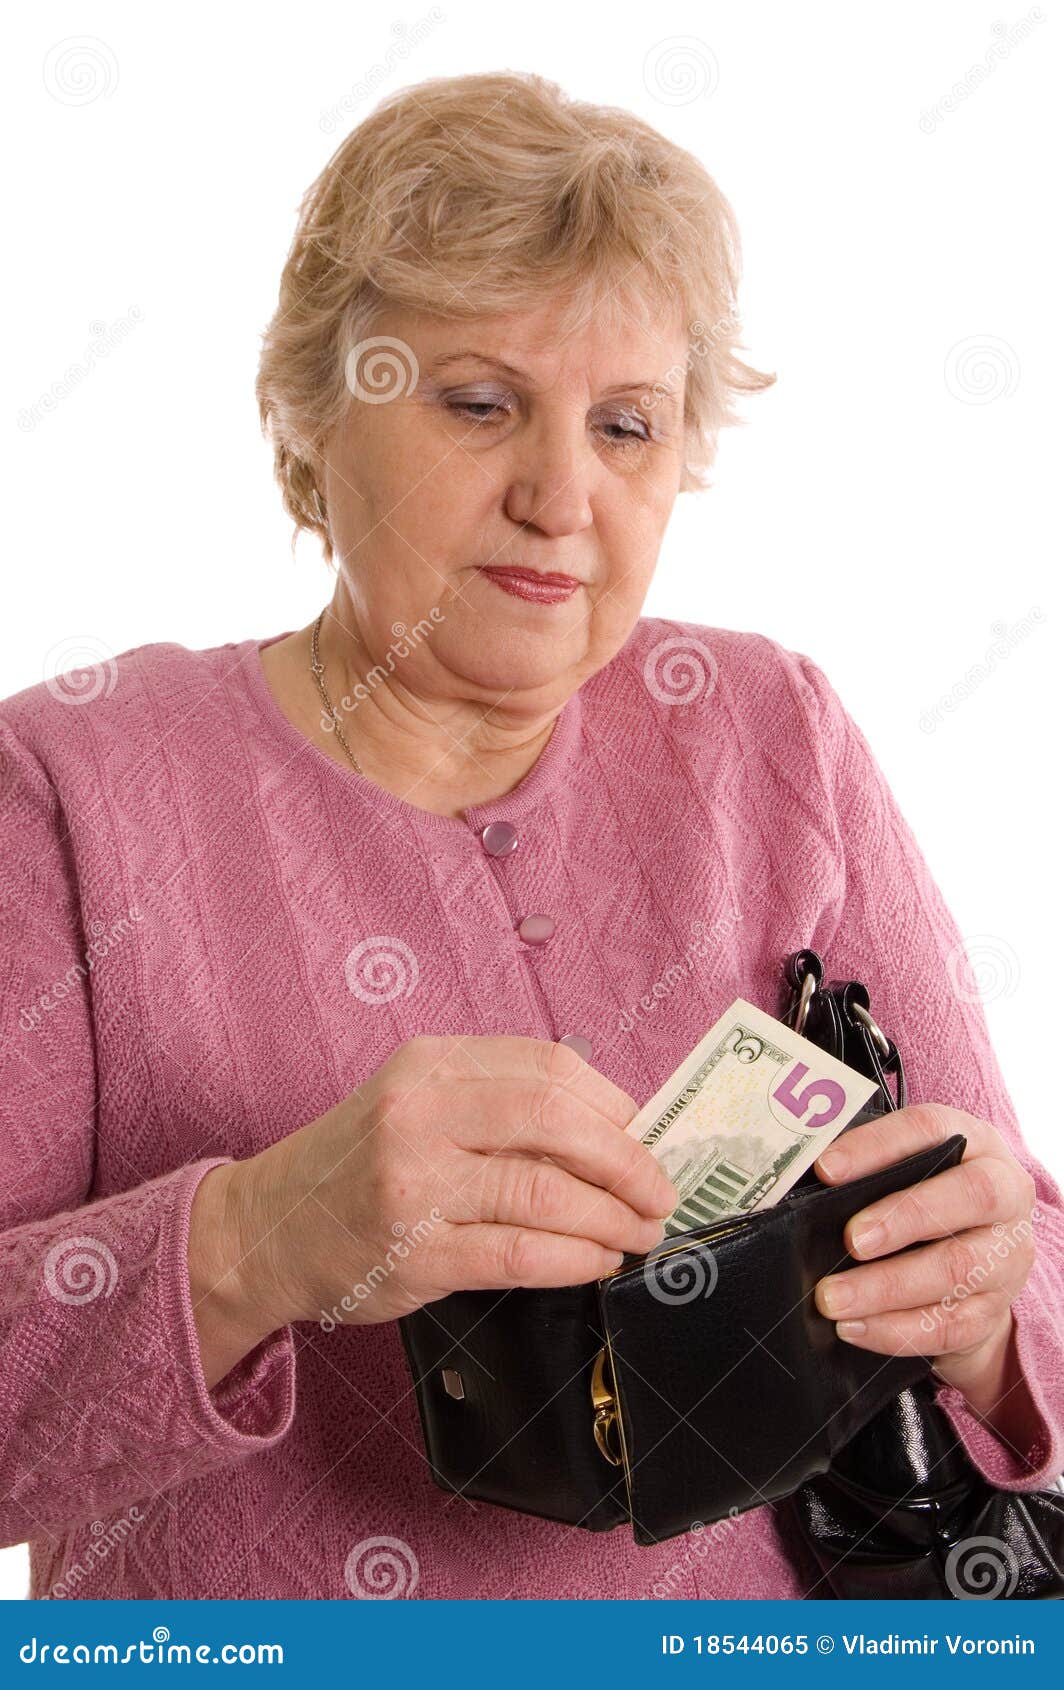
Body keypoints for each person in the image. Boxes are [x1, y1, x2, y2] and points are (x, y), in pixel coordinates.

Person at [1, 69, 1061, 1603]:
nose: (564, 495)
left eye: (628, 425)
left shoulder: (772, 729)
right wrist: (255, 1238)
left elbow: (1033, 1278)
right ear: (313, 416)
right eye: (479, 402)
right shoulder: (67, 780)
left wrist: (982, 1305)